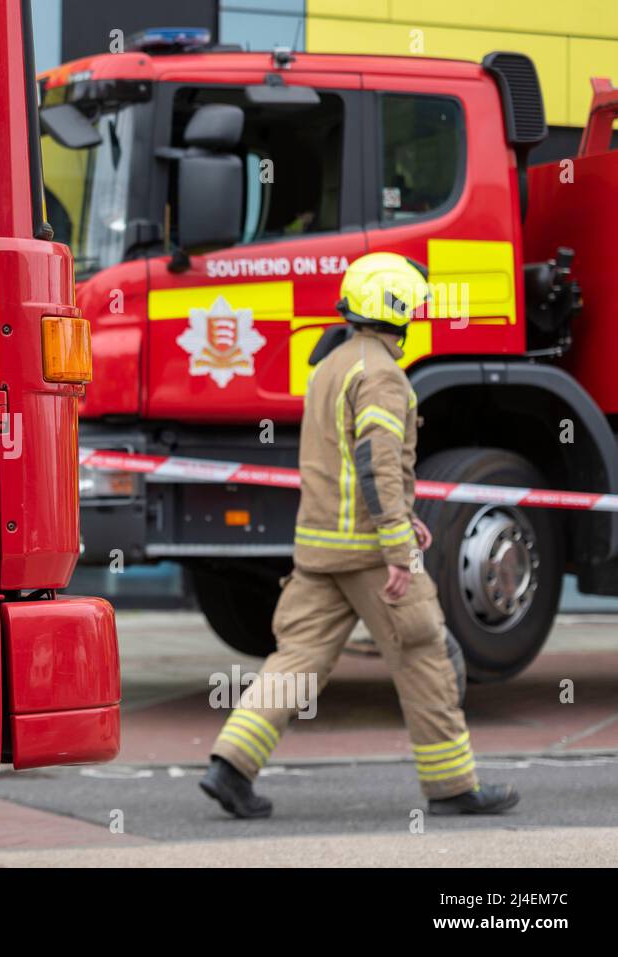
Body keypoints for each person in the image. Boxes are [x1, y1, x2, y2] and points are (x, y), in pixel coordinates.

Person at [200, 252, 519, 818]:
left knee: (297, 660)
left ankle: (231, 766)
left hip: (320, 547)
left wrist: (406, 514)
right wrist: (398, 548)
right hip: (370, 551)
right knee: (427, 654)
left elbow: (352, 463)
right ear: (395, 307)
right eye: (413, 305)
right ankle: (451, 786)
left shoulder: (332, 365)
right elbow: (374, 460)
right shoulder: (382, 375)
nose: (418, 315)